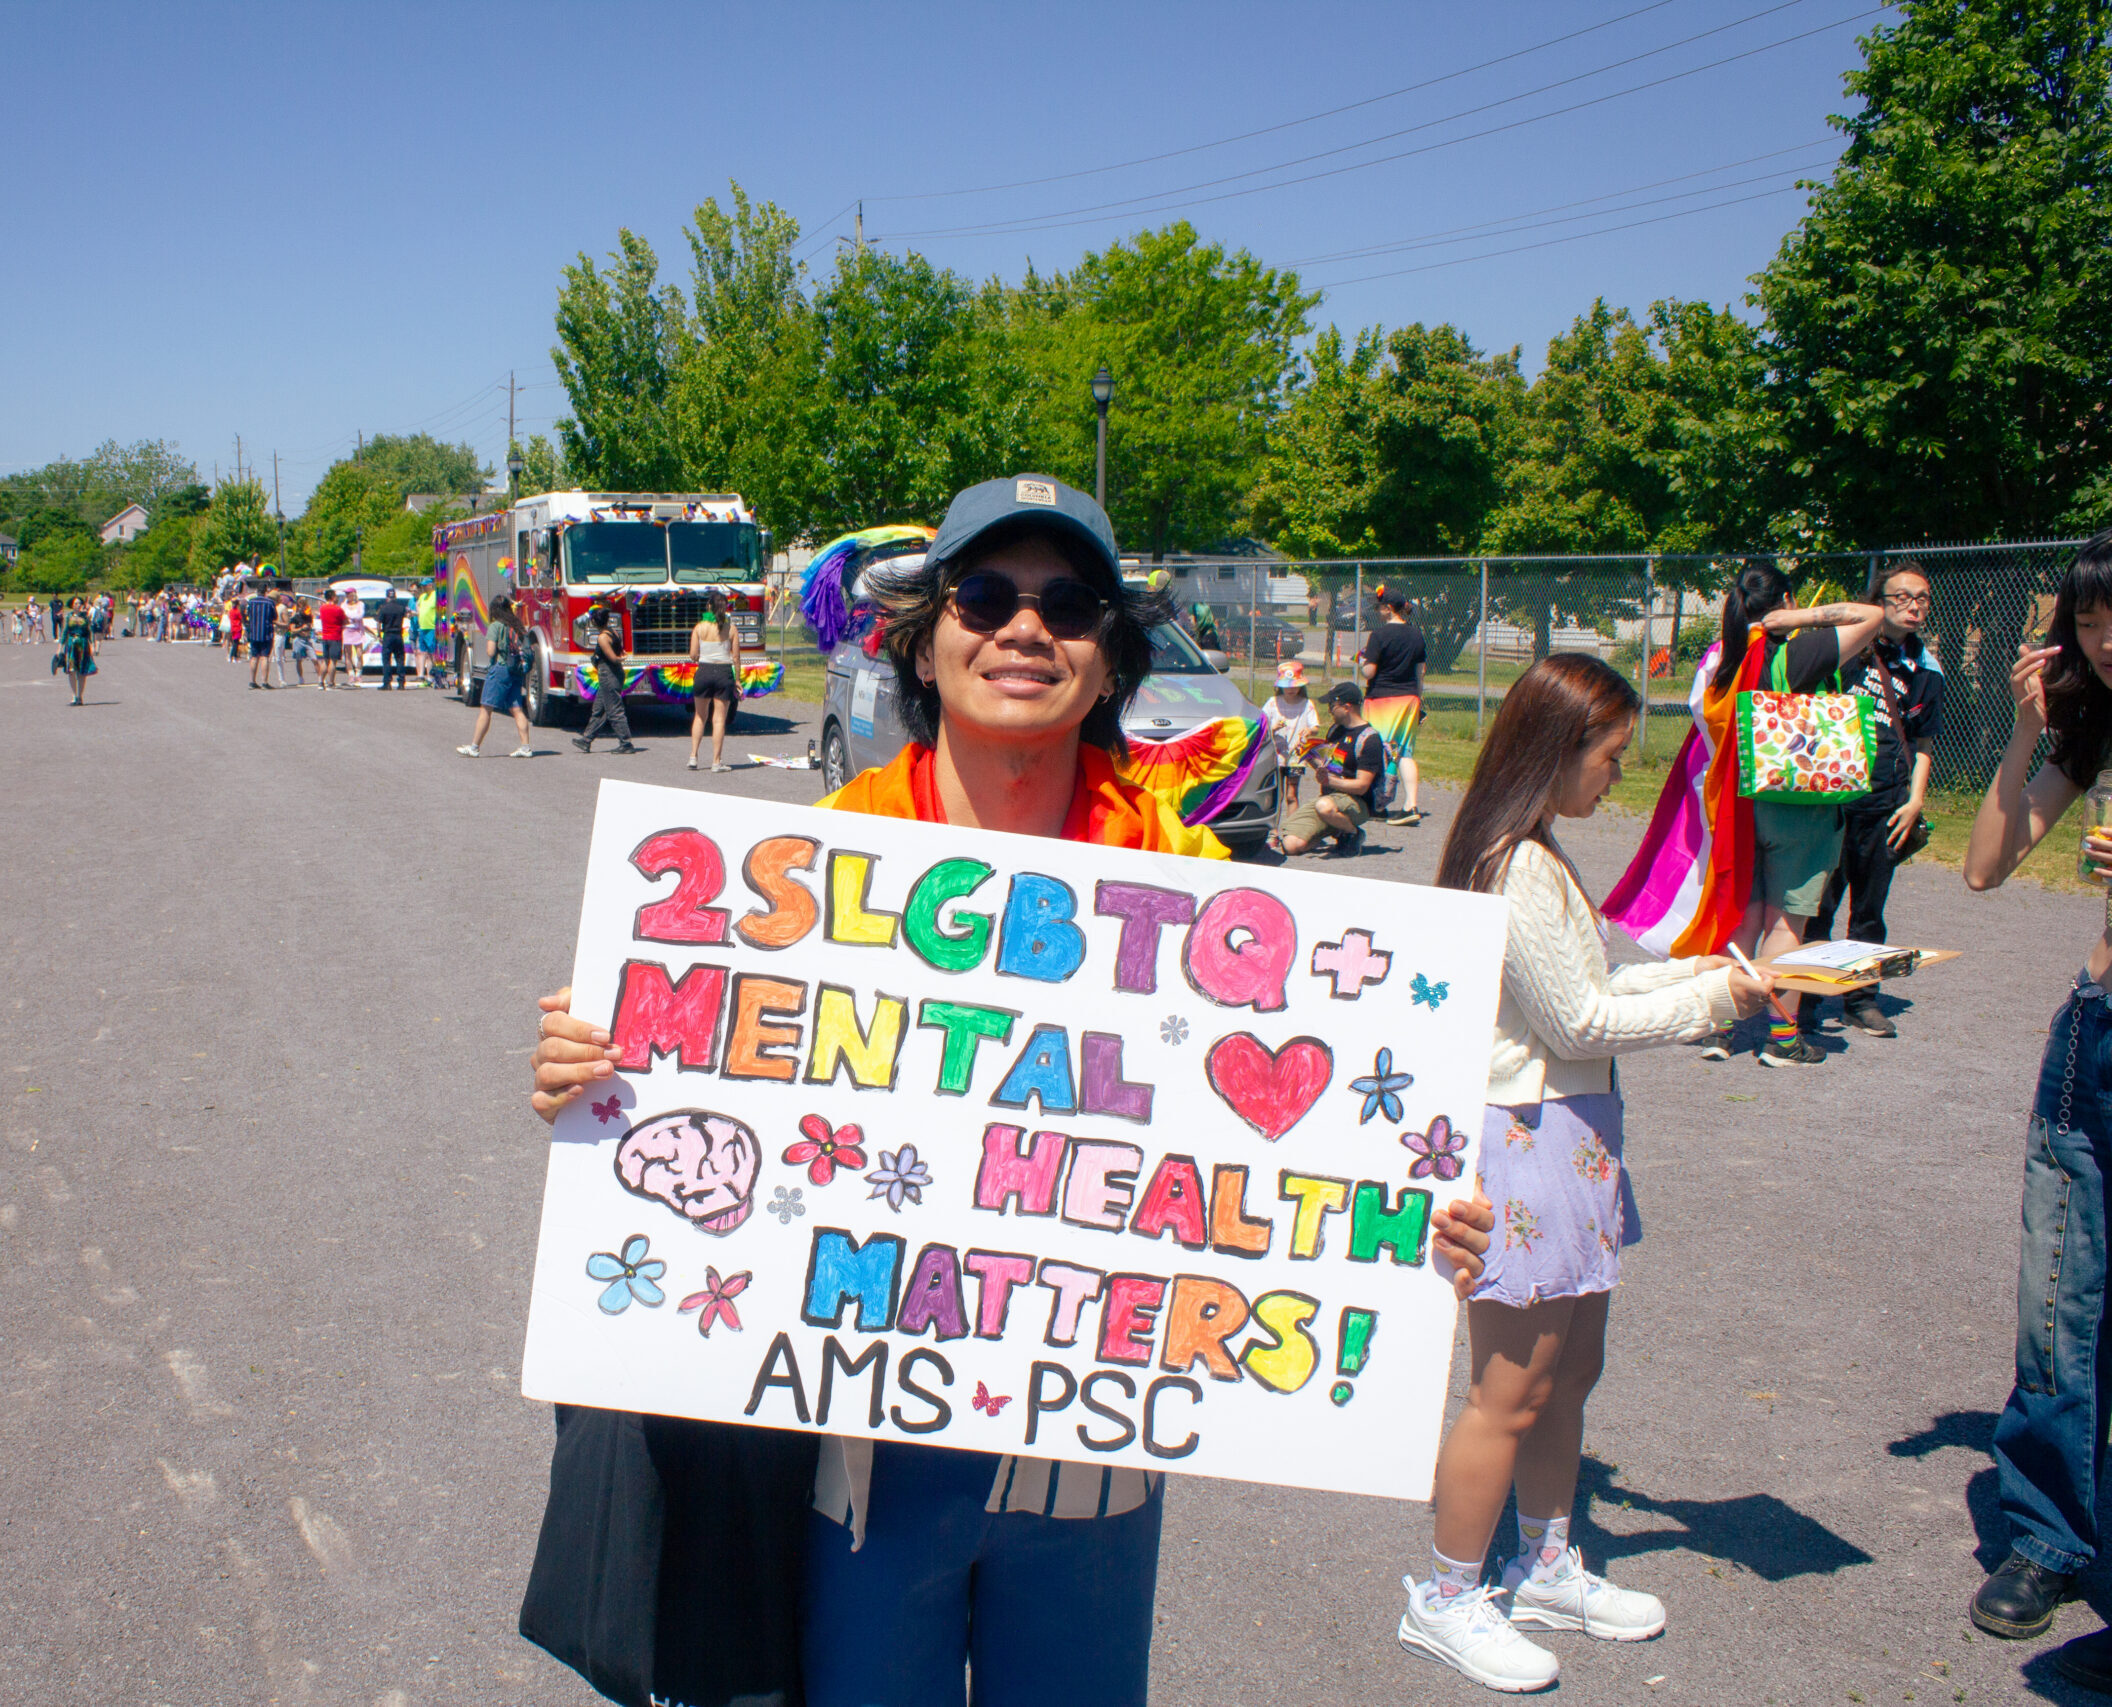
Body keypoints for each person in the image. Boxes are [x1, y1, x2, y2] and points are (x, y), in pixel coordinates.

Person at [529, 472, 1499, 1707]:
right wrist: (596, 1077)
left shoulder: (1194, 879)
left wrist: (1407, 1218)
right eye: (985, 597)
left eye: (1070, 606)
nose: (1026, 630)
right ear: (923, 642)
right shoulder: (812, 868)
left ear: (1110, 659)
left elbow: (1311, 1141)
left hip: (1092, 1463)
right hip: (860, 1459)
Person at [1397, 653, 1776, 1693]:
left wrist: (1702, 970)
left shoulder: (1540, 852)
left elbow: (1588, 982)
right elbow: (1577, 1021)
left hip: (1573, 1135)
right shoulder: (1514, 863)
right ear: (1557, 750)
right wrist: (1714, 1005)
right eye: (1610, 755)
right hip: (1524, 1138)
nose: (1620, 773)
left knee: (1569, 1372)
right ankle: (1445, 1594)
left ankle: (1546, 1561)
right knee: (1509, 1388)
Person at [1963, 530, 2112, 1692]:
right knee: (2059, 1306)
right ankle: (2051, 1536)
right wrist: (2024, 732)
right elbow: (1985, 867)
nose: (2107, 646)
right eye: (2092, 626)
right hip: (2094, 1044)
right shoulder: (2094, 726)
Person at [1691, 567, 1885, 1067]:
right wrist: (1799, 620)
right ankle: (1782, 1037)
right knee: (1786, 922)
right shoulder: (1799, 652)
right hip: (1798, 803)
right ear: (1786, 601)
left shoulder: (1726, 657)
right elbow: (1872, 615)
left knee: (1745, 918)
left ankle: (1722, 1029)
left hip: (1741, 803)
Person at [1799, 559, 1946, 1041]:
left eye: (1922, 598)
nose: (1913, 606)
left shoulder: (1926, 668)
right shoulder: (1850, 647)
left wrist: (1915, 801)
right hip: (1834, 800)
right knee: (1818, 905)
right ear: (1878, 603)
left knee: (1869, 910)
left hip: (1887, 804)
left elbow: (1923, 743)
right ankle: (1804, 998)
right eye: (1901, 596)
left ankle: (1860, 999)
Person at [1277, 681, 1384, 857]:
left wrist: (1330, 781)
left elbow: (1362, 786)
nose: (1329, 710)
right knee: (1291, 845)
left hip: (1356, 803)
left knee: (1324, 807)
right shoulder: (1335, 731)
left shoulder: (1369, 739)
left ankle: (1353, 833)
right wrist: (1307, 754)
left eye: (1332, 705)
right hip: (1330, 800)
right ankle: (1334, 828)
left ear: (1347, 707)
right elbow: (1329, 768)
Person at [1362, 585, 1428, 826]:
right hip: (1409, 699)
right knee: (1404, 751)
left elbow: (1369, 672)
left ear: (1389, 608)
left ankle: (1378, 805)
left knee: (1379, 749)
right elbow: (1420, 673)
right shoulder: (1416, 635)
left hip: (1381, 700)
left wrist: (1363, 661)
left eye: (1379, 607)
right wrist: (1418, 702)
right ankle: (1411, 805)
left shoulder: (1378, 635)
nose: (1377, 611)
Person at [456, 594, 535, 758]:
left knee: (486, 708)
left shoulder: (496, 626)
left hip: (500, 669)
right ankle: (525, 747)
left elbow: (491, 651)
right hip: (516, 670)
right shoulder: (517, 626)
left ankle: (474, 747)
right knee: (517, 709)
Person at [685, 589, 743, 772]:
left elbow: (693, 654)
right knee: (718, 720)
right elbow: (736, 658)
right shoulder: (731, 629)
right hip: (724, 673)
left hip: (704, 671)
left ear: (708, 606)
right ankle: (716, 762)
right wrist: (738, 680)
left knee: (700, 716)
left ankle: (693, 757)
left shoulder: (699, 627)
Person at [571, 605, 639, 754]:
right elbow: (619, 651)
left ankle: (626, 743)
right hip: (614, 674)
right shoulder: (614, 632)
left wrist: (621, 659)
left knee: (614, 709)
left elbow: (613, 658)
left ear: (594, 622)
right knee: (599, 709)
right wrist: (622, 657)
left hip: (609, 674)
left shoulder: (602, 638)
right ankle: (586, 740)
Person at [1260, 660, 1318, 809]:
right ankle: (1274, 823)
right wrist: (1273, 728)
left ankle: (1292, 823)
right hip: (1276, 756)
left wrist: (1310, 731)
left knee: (1292, 794)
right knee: (1277, 794)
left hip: (1296, 756)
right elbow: (1261, 726)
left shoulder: (1307, 704)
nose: (1291, 690)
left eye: (1294, 686)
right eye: (1287, 687)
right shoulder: (1272, 703)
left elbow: (1315, 727)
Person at [58, 596, 95, 705]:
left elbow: (89, 632)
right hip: (71, 644)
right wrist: (60, 648)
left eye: (79, 603)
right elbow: (65, 632)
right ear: (72, 605)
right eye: (76, 603)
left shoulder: (85, 617)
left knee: (82, 672)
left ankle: (80, 696)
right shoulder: (69, 617)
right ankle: (74, 695)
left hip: (83, 644)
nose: (78, 605)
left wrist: (92, 646)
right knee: (71, 671)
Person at [374, 587, 411, 690]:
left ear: (387, 597)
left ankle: (387, 683)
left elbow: (378, 622)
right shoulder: (401, 608)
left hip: (388, 635)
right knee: (400, 659)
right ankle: (401, 682)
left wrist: (379, 635)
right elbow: (408, 615)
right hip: (398, 635)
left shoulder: (383, 608)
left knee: (386, 660)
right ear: (395, 597)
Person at [244, 583, 278, 690]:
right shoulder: (270, 603)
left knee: (254, 657)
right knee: (264, 657)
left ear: (257, 591)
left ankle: (252, 681)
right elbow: (274, 617)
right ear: (266, 591)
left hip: (254, 632)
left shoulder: (251, 602)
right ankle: (264, 682)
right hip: (266, 633)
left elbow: (248, 615)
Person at [316, 590, 345, 690]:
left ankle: (320, 682)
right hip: (335, 636)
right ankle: (331, 682)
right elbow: (345, 620)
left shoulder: (322, 608)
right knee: (333, 661)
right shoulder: (338, 609)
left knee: (325, 660)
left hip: (325, 636)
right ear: (332, 597)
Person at [414, 579, 439, 685]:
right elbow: (418, 606)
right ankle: (423, 676)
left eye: (425, 586)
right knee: (423, 652)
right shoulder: (422, 597)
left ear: (430, 585)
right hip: (422, 627)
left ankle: (432, 676)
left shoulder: (435, 595)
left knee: (432, 653)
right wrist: (417, 612)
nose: (423, 588)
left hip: (431, 627)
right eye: (422, 586)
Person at [342, 589, 368, 684]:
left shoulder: (360, 604)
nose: (348, 596)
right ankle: (351, 674)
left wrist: (350, 617)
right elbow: (342, 615)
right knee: (348, 654)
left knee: (359, 653)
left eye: (349, 594)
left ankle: (358, 673)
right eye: (347, 594)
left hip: (357, 631)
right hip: (347, 630)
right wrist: (351, 617)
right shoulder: (343, 605)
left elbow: (360, 615)